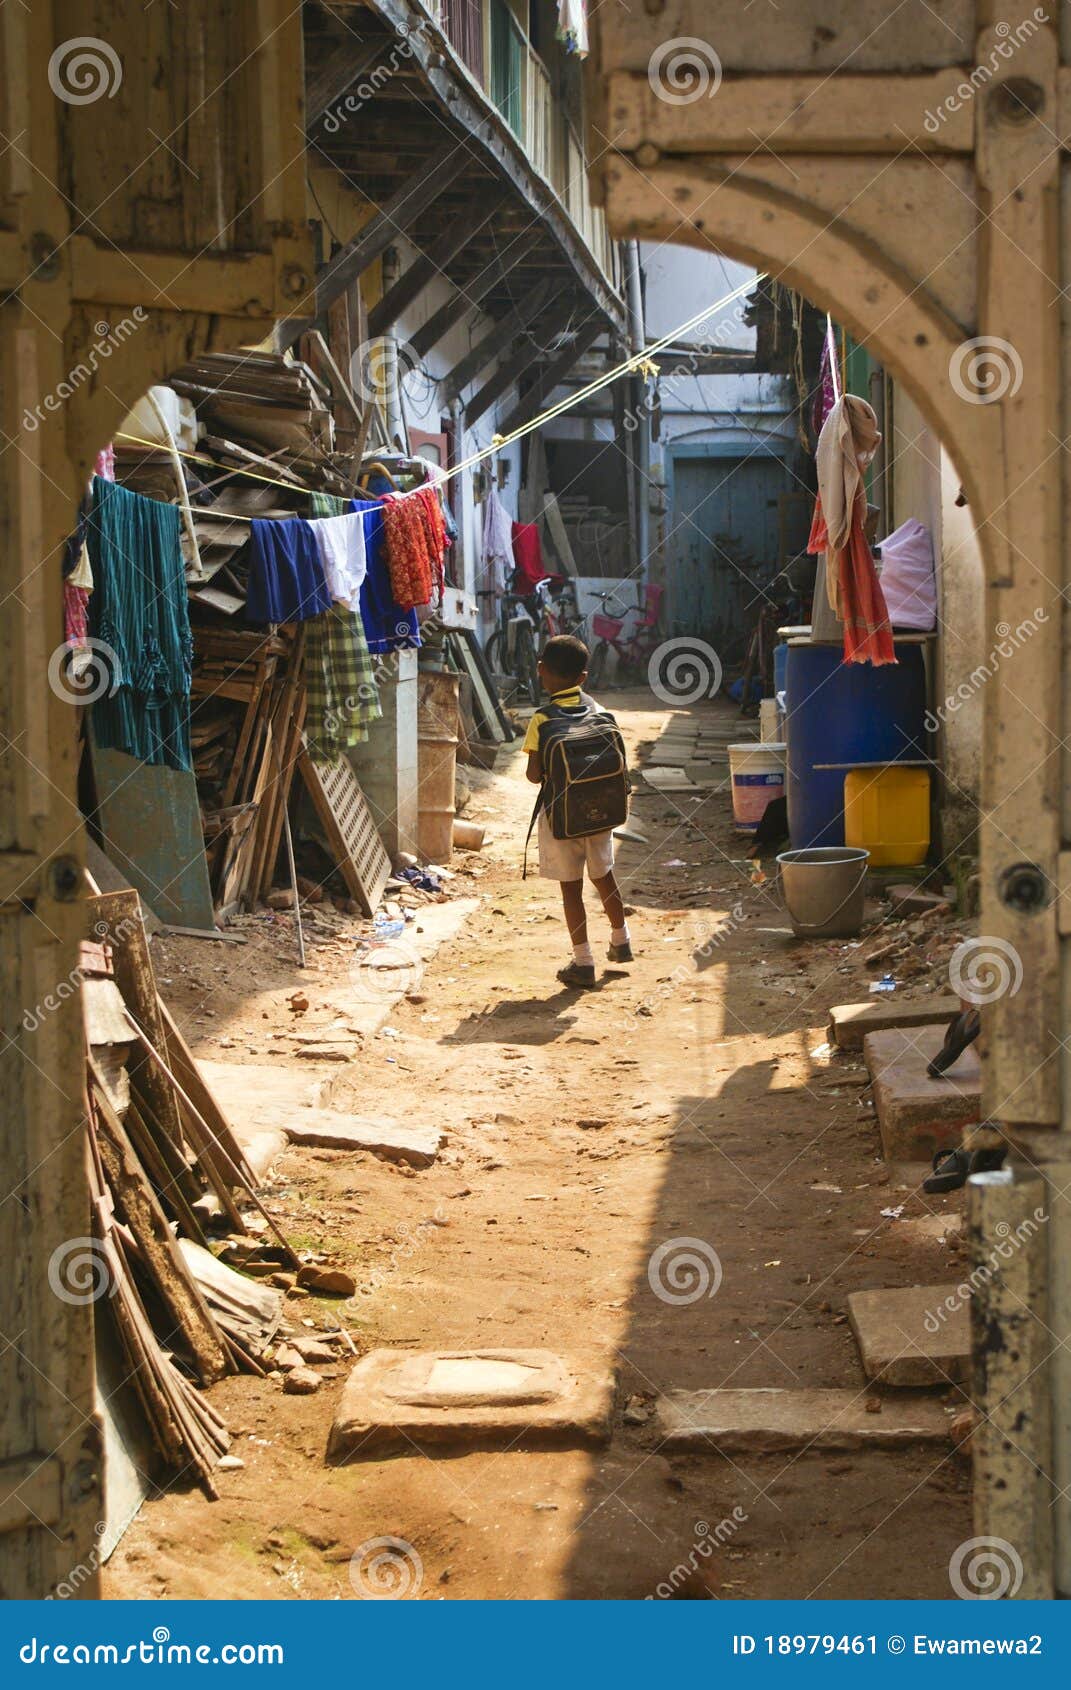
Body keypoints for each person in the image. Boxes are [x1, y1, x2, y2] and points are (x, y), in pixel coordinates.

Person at [523, 633, 632, 989]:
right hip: (600, 813)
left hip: (562, 818)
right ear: (583, 678)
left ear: (541, 671)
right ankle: (621, 940)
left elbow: (533, 775)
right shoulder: (599, 712)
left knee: (571, 889)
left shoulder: (542, 720)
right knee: (605, 877)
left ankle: (583, 962)